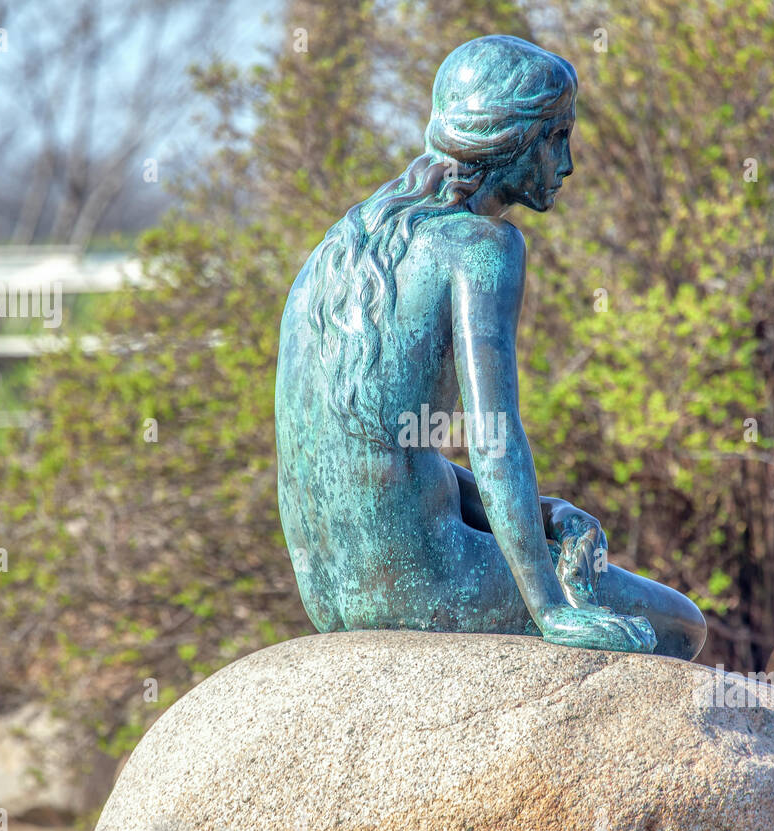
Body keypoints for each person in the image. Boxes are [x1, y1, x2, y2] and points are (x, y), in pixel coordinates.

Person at [275, 35, 706, 658]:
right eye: (556, 137)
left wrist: (539, 512)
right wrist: (551, 610)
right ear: (509, 139)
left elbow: (377, 457)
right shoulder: (483, 246)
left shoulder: (334, 258)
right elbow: (493, 437)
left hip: (331, 596)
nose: (568, 163)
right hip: (427, 581)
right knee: (680, 624)